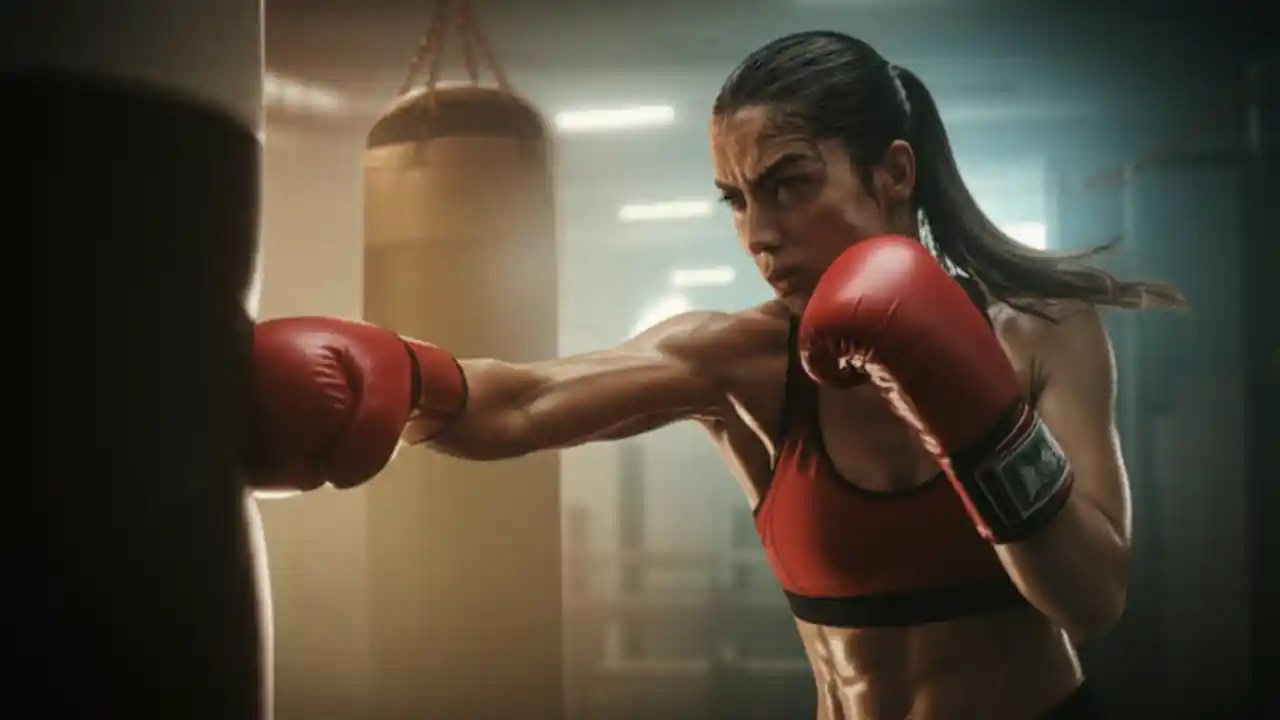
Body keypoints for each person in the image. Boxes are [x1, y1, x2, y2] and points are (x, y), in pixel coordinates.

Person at [248, 31, 1187, 719]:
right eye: (737, 200)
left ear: (893, 171)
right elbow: (523, 403)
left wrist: (968, 406)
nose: (758, 235)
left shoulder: (1041, 335)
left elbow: (1091, 598)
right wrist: (401, 376)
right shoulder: (740, 361)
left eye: (788, 184)